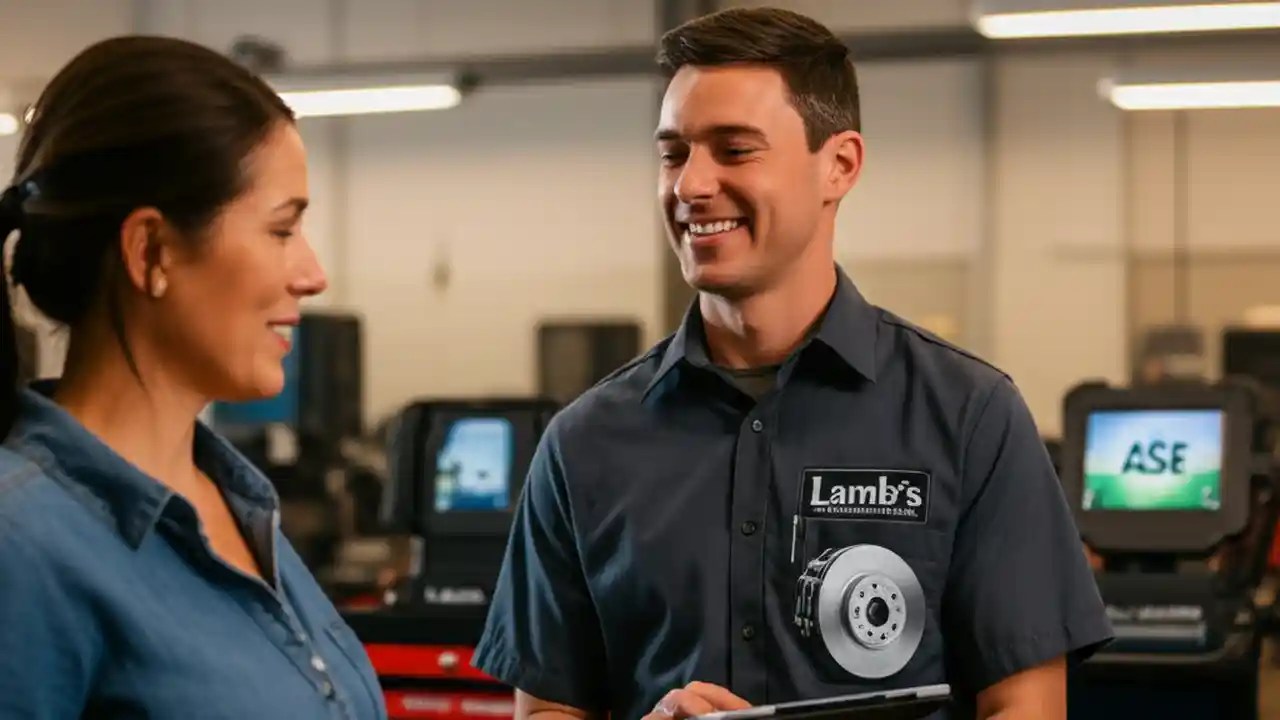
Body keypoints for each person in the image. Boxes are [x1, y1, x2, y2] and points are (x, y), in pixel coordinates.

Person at [472, 7, 1112, 720]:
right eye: (674, 152)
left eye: (734, 149)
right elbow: (549, 708)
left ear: (839, 166)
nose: (690, 185)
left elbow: (1025, 707)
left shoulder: (970, 418)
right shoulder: (582, 445)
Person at [0, 36, 387, 719]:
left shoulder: (238, 506)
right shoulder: (22, 548)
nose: (313, 274)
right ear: (151, 251)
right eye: (280, 230)